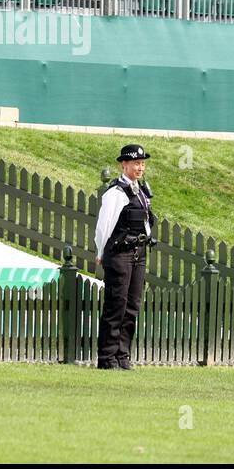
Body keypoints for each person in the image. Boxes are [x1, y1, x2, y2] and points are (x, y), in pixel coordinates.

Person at [94, 144, 158, 370]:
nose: (140, 167)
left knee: (132, 305)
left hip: (138, 254)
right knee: (116, 305)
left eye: (142, 163)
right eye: (136, 163)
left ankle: (123, 355)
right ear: (124, 164)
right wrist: (100, 252)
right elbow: (104, 226)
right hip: (119, 254)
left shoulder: (140, 191)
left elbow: (145, 222)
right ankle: (107, 358)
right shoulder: (116, 192)